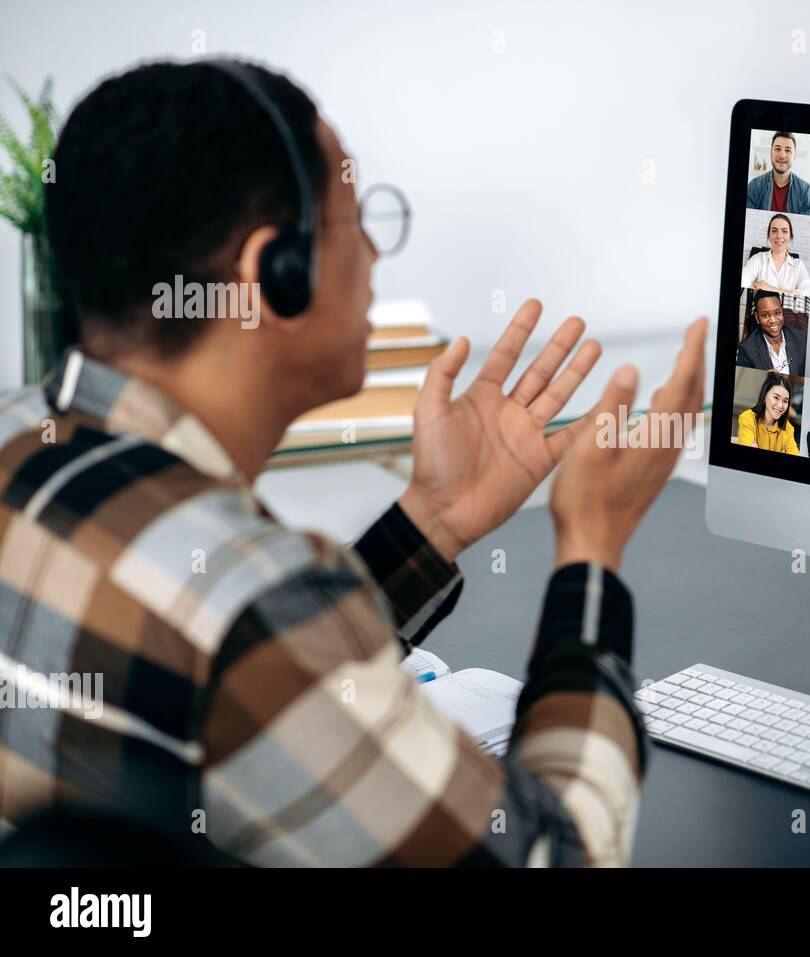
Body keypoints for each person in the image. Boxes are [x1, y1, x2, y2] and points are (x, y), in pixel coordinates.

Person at [0, 59, 709, 868]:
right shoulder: (252, 603)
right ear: (273, 271)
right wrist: (591, 551)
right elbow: (562, 853)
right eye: (354, 220)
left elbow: (243, 674)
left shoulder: (19, 438)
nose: (374, 253)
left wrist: (430, 521)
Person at [736, 289, 806, 376]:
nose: (773, 320)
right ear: (757, 317)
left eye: (777, 313)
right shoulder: (747, 350)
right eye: (765, 315)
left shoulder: (801, 339)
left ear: (782, 310)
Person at [740, 212, 810, 297]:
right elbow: (742, 281)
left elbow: (806, 293)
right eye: (774, 231)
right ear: (769, 236)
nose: (779, 236)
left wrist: (769, 288)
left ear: (790, 237)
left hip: (787, 310)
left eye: (784, 231)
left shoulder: (798, 265)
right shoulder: (758, 258)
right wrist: (789, 292)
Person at [746, 131, 810, 215]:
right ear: (770, 153)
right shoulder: (753, 187)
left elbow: (807, 227)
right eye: (777, 149)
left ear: (794, 156)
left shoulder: (807, 193)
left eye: (788, 150)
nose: (782, 155)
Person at [736, 372, 800, 455]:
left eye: (785, 401)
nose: (780, 405)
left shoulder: (788, 429)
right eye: (776, 397)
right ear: (764, 396)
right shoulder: (748, 418)